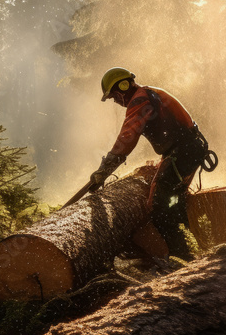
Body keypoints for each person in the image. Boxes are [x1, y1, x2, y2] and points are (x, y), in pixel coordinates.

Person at [90, 67, 209, 260]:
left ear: (123, 86)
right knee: (173, 199)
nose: (115, 101)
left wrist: (105, 169)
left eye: (114, 96)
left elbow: (128, 136)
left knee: (159, 204)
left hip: (184, 151)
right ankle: (188, 247)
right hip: (184, 149)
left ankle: (181, 257)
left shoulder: (140, 99)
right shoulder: (148, 94)